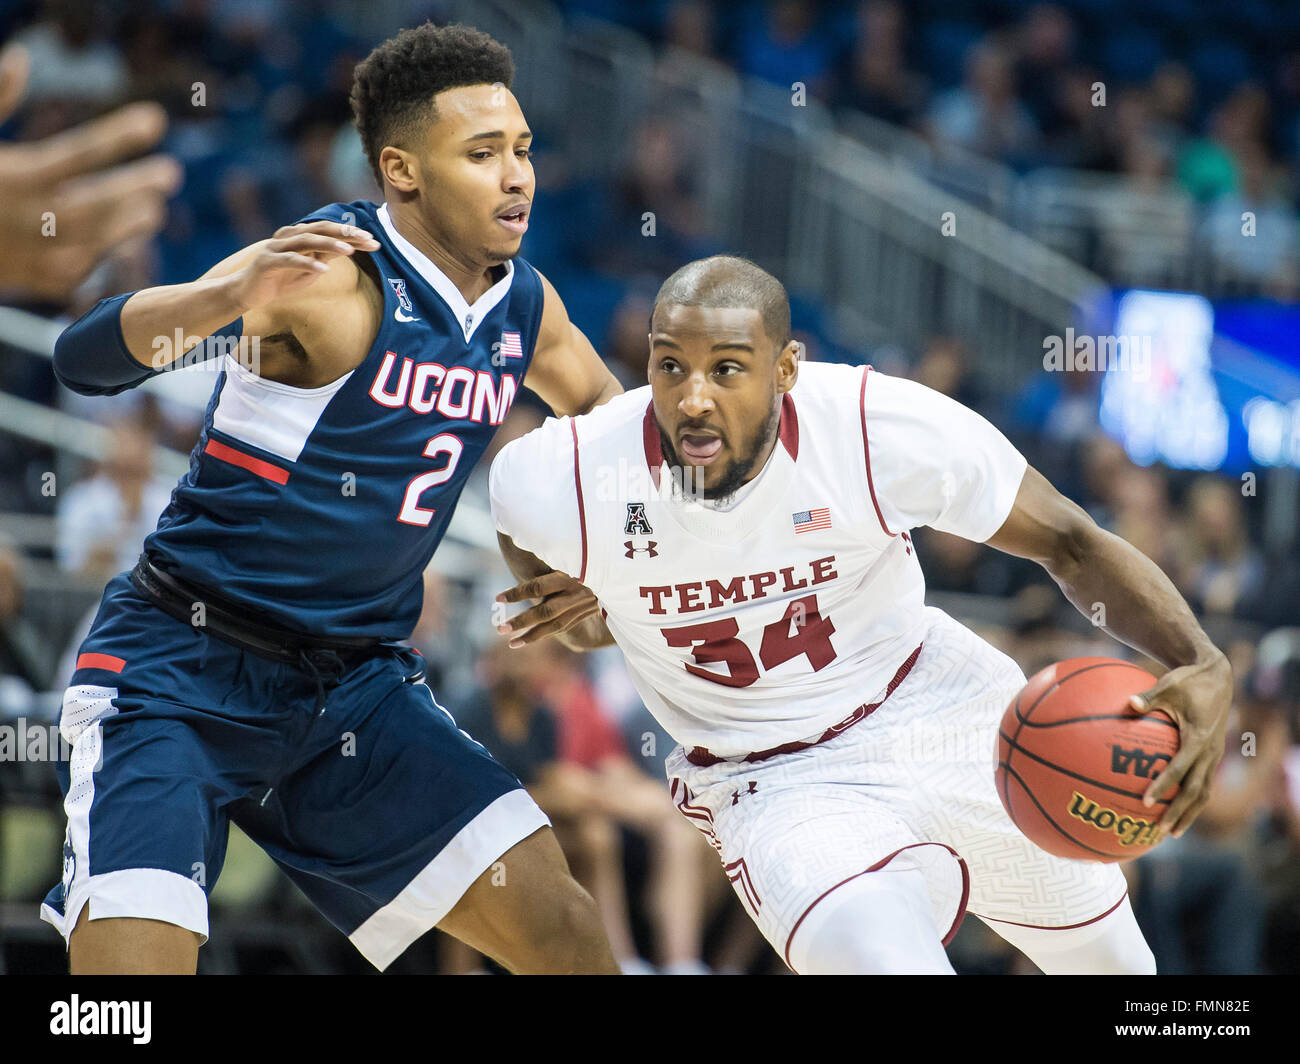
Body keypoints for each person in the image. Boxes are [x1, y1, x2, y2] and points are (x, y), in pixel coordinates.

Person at [43, 23, 622, 975]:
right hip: (178, 674)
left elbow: (605, 411)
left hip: (355, 692)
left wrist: (604, 558)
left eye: (522, 150)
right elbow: (82, 360)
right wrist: (215, 297)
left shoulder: (526, 306)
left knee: (564, 930)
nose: (518, 176)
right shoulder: (326, 279)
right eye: (482, 155)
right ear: (402, 170)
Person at [488, 255, 1233, 975]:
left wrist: (1201, 661)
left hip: (939, 704)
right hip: (775, 780)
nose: (692, 397)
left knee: (1120, 968)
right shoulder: (568, 479)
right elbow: (571, 612)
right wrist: (606, 599)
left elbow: (1070, 541)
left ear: (786, 369)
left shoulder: (874, 424)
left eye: (727, 367)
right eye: (668, 364)